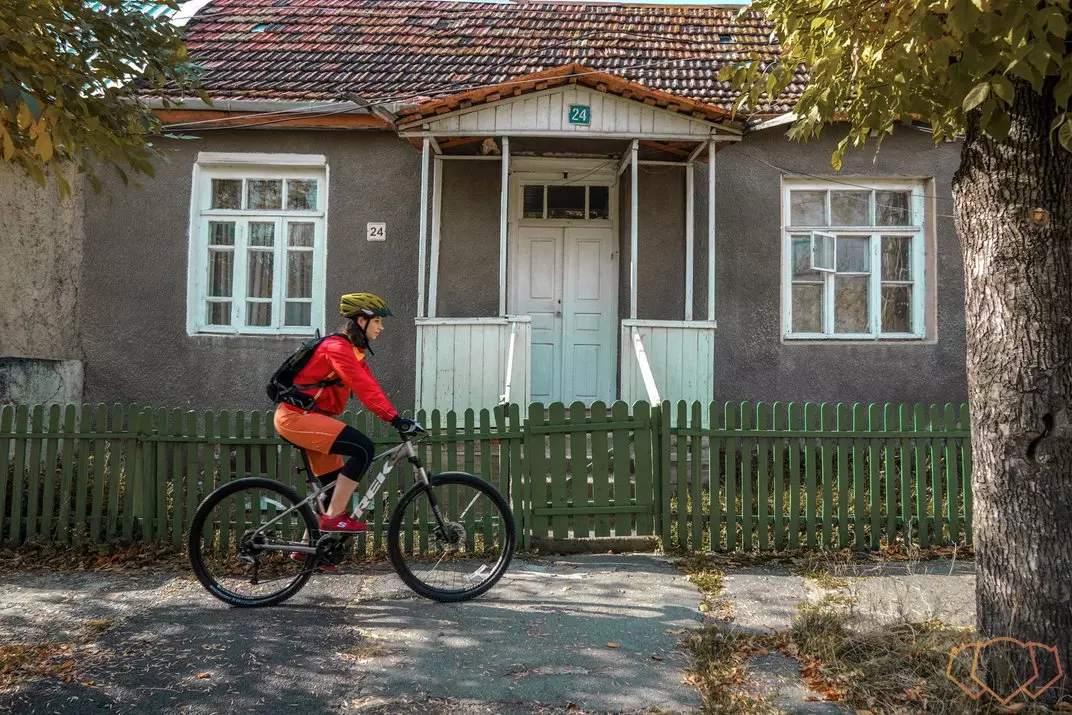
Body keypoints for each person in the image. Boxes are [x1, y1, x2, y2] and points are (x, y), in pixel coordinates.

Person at [273, 292, 423, 547]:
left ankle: (308, 551)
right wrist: (394, 418)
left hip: (311, 419)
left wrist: (395, 415)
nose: (381, 327)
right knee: (362, 448)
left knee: (332, 493)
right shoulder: (337, 348)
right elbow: (362, 387)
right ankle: (332, 520)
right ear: (361, 321)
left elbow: (371, 386)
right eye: (377, 321)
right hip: (296, 418)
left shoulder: (355, 353)